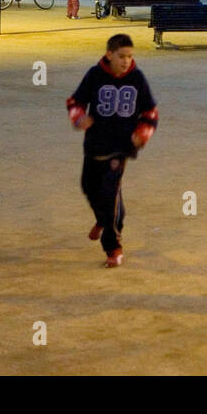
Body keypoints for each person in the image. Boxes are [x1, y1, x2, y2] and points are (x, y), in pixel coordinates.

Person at [66, 33, 159, 268]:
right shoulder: (95, 75)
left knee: (111, 194)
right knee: (88, 186)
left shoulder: (137, 78)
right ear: (109, 55)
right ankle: (101, 219)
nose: (126, 61)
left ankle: (113, 246)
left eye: (130, 56)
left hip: (121, 148)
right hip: (95, 144)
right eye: (121, 56)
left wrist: (143, 133)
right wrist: (79, 118)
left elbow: (150, 112)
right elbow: (75, 101)